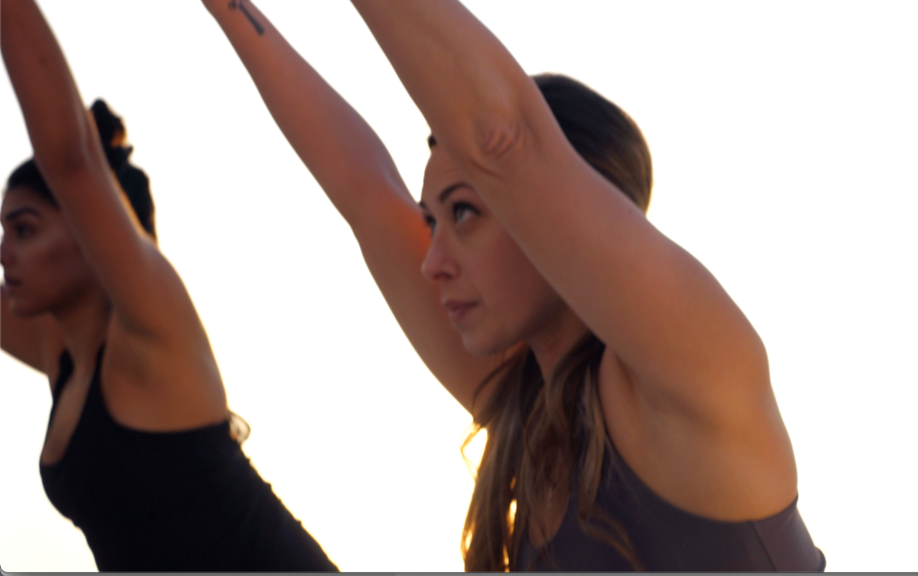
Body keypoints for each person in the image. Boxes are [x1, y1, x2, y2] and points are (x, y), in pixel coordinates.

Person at [205, 0, 824, 570]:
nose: (432, 262)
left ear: (562, 215)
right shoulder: (530, 414)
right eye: (431, 222)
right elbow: (366, 196)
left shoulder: (697, 377)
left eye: (464, 213)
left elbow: (505, 144)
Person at [0, 0, 337, 570]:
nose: (5, 251)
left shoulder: (150, 336)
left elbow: (70, 158)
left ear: (89, 234)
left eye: (24, 228)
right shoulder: (63, 352)